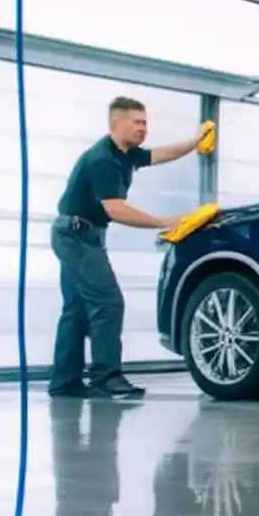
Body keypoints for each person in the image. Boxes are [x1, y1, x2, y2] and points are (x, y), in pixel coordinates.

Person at [49, 96, 204, 398]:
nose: (144, 128)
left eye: (146, 123)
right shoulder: (103, 160)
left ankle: (64, 383)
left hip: (77, 234)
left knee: (77, 310)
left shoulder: (125, 154)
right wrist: (165, 221)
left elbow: (160, 155)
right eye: (138, 122)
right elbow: (115, 209)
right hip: (77, 236)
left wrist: (194, 142)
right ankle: (106, 378)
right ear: (117, 123)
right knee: (108, 303)